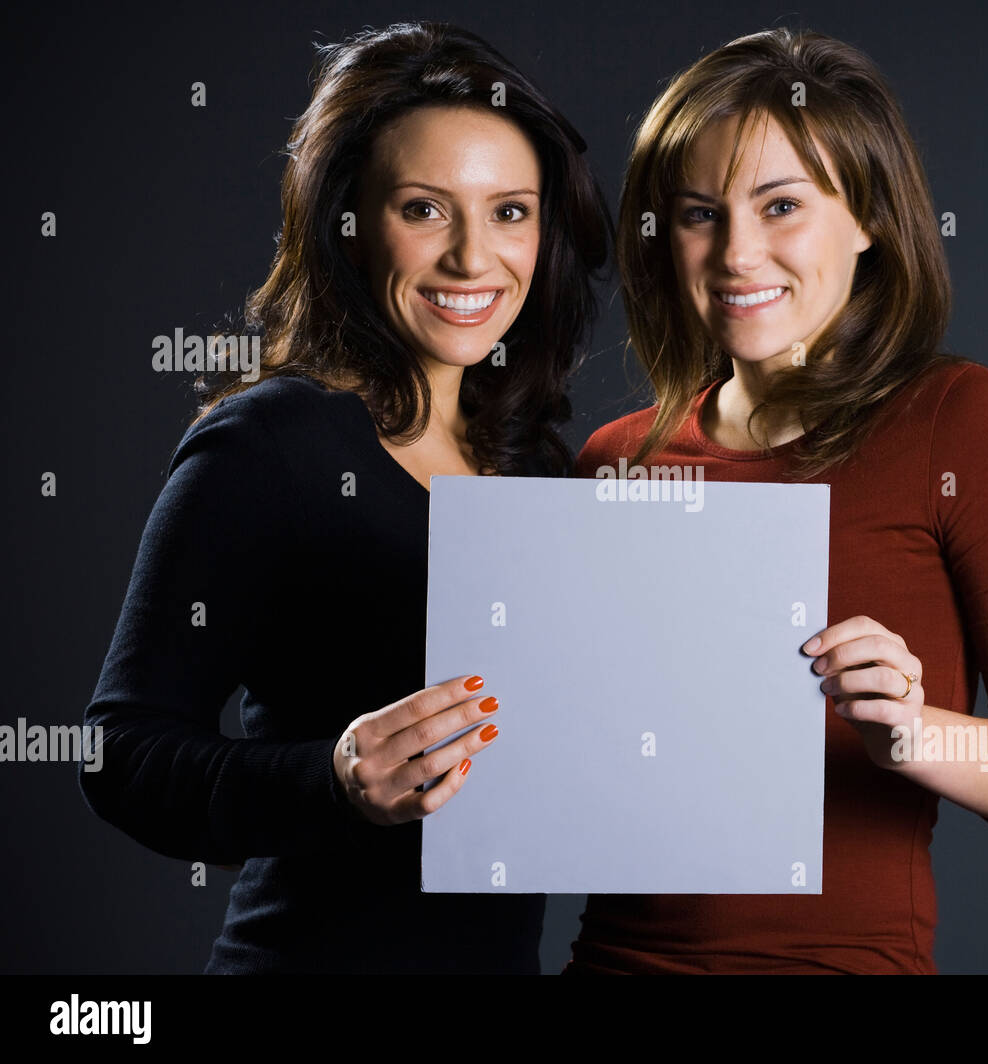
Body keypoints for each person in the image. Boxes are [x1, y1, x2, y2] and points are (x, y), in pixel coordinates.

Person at [566, 27, 988, 974]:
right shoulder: (614, 462)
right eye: (700, 214)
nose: (739, 253)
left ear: (868, 218)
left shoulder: (960, 424)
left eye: (781, 205)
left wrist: (913, 732)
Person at [79, 21, 610, 973]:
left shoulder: (537, 468)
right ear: (349, 224)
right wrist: (330, 778)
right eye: (424, 209)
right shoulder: (271, 443)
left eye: (511, 212)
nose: (472, 259)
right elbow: (118, 753)